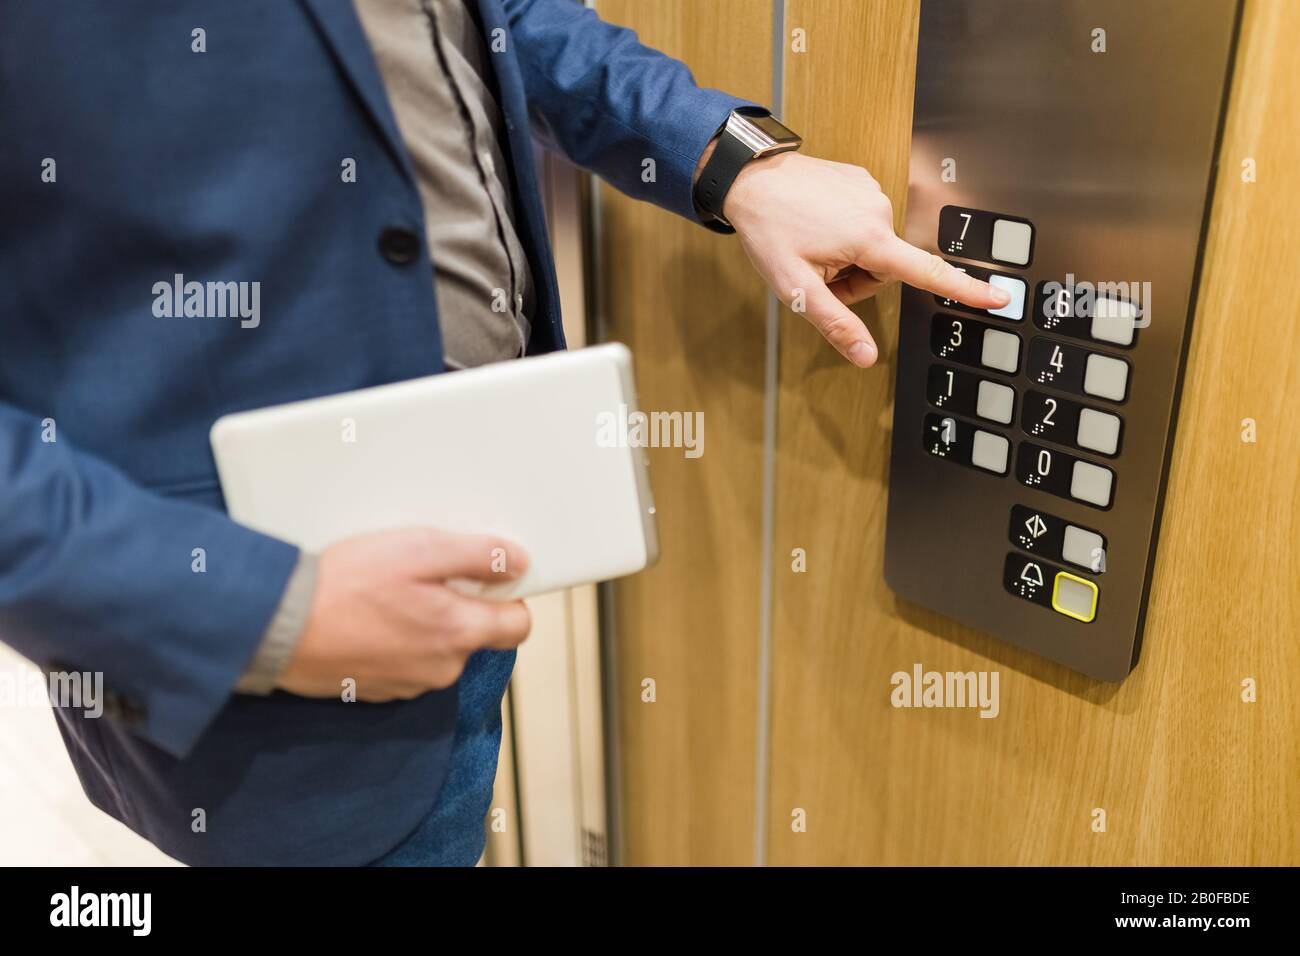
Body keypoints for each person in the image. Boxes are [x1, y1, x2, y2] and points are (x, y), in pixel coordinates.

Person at [0, 0, 1008, 866]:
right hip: (260, 639)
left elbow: (499, 20)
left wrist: (726, 158)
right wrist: (270, 612)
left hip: (473, 550)